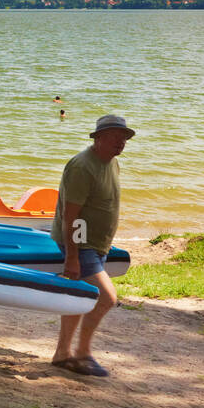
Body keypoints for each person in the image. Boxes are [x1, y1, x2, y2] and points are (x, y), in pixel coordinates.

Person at [49, 114, 135, 377]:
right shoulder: (81, 167)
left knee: (79, 297)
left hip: (97, 245)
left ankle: (63, 354)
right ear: (98, 139)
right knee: (106, 297)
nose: (120, 144)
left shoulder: (112, 163)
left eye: (124, 139)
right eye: (114, 138)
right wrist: (72, 258)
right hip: (80, 243)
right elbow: (70, 216)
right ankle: (83, 353)